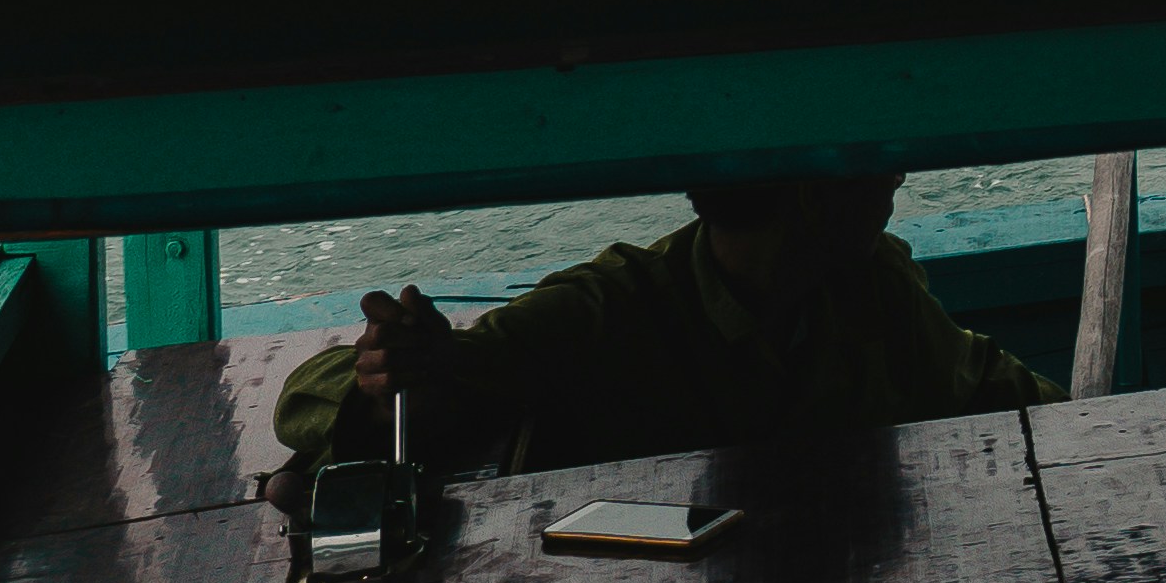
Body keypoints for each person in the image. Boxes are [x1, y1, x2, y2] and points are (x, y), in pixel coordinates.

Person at [273, 171, 1055, 480]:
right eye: (871, 157)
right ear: (811, 194)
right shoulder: (609, 312)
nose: (896, 174)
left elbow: (992, 389)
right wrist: (388, 380)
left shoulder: (870, 289)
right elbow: (307, 397)